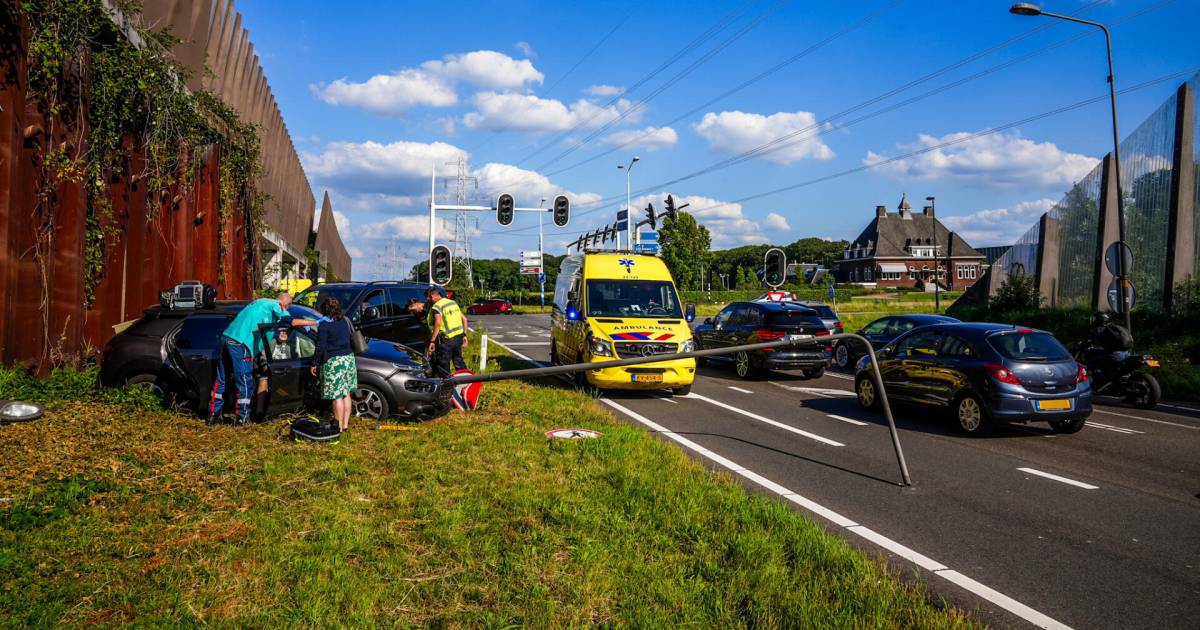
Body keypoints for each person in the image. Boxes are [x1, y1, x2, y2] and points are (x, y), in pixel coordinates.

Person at [209, 292, 317, 425]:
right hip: (241, 343)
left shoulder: (261, 302)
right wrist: (316, 322)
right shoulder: (277, 306)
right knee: (244, 381)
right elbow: (292, 322)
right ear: (285, 304)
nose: (286, 311)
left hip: (226, 338)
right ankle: (242, 418)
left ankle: (213, 415)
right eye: (287, 308)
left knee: (221, 379)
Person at [311, 297, 355, 432]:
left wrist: (315, 363)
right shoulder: (344, 320)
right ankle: (345, 425)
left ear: (324, 309)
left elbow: (320, 346)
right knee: (346, 393)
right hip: (348, 359)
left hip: (334, 361)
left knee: (336, 397)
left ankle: (338, 427)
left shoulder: (324, 325)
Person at [406, 287, 468, 377]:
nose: (426, 300)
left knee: (443, 365)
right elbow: (464, 319)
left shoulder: (436, 306)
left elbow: (438, 324)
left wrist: (432, 341)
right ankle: (467, 382)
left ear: (431, 296)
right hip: (458, 338)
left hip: (446, 340)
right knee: (458, 362)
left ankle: (446, 387)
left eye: (427, 298)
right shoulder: (452, 303)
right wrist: (464, 335)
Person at [1085, 310, 1133, 385]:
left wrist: (1087, 341)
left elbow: (1090, 339)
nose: (1093, 321)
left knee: (1091, 362)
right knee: (1100, 352)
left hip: (1115, 355)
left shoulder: (1099, 330)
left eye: (1095, 319)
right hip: (1126, 353)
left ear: (1098, 320)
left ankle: (1101, 383)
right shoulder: (1111, 327)